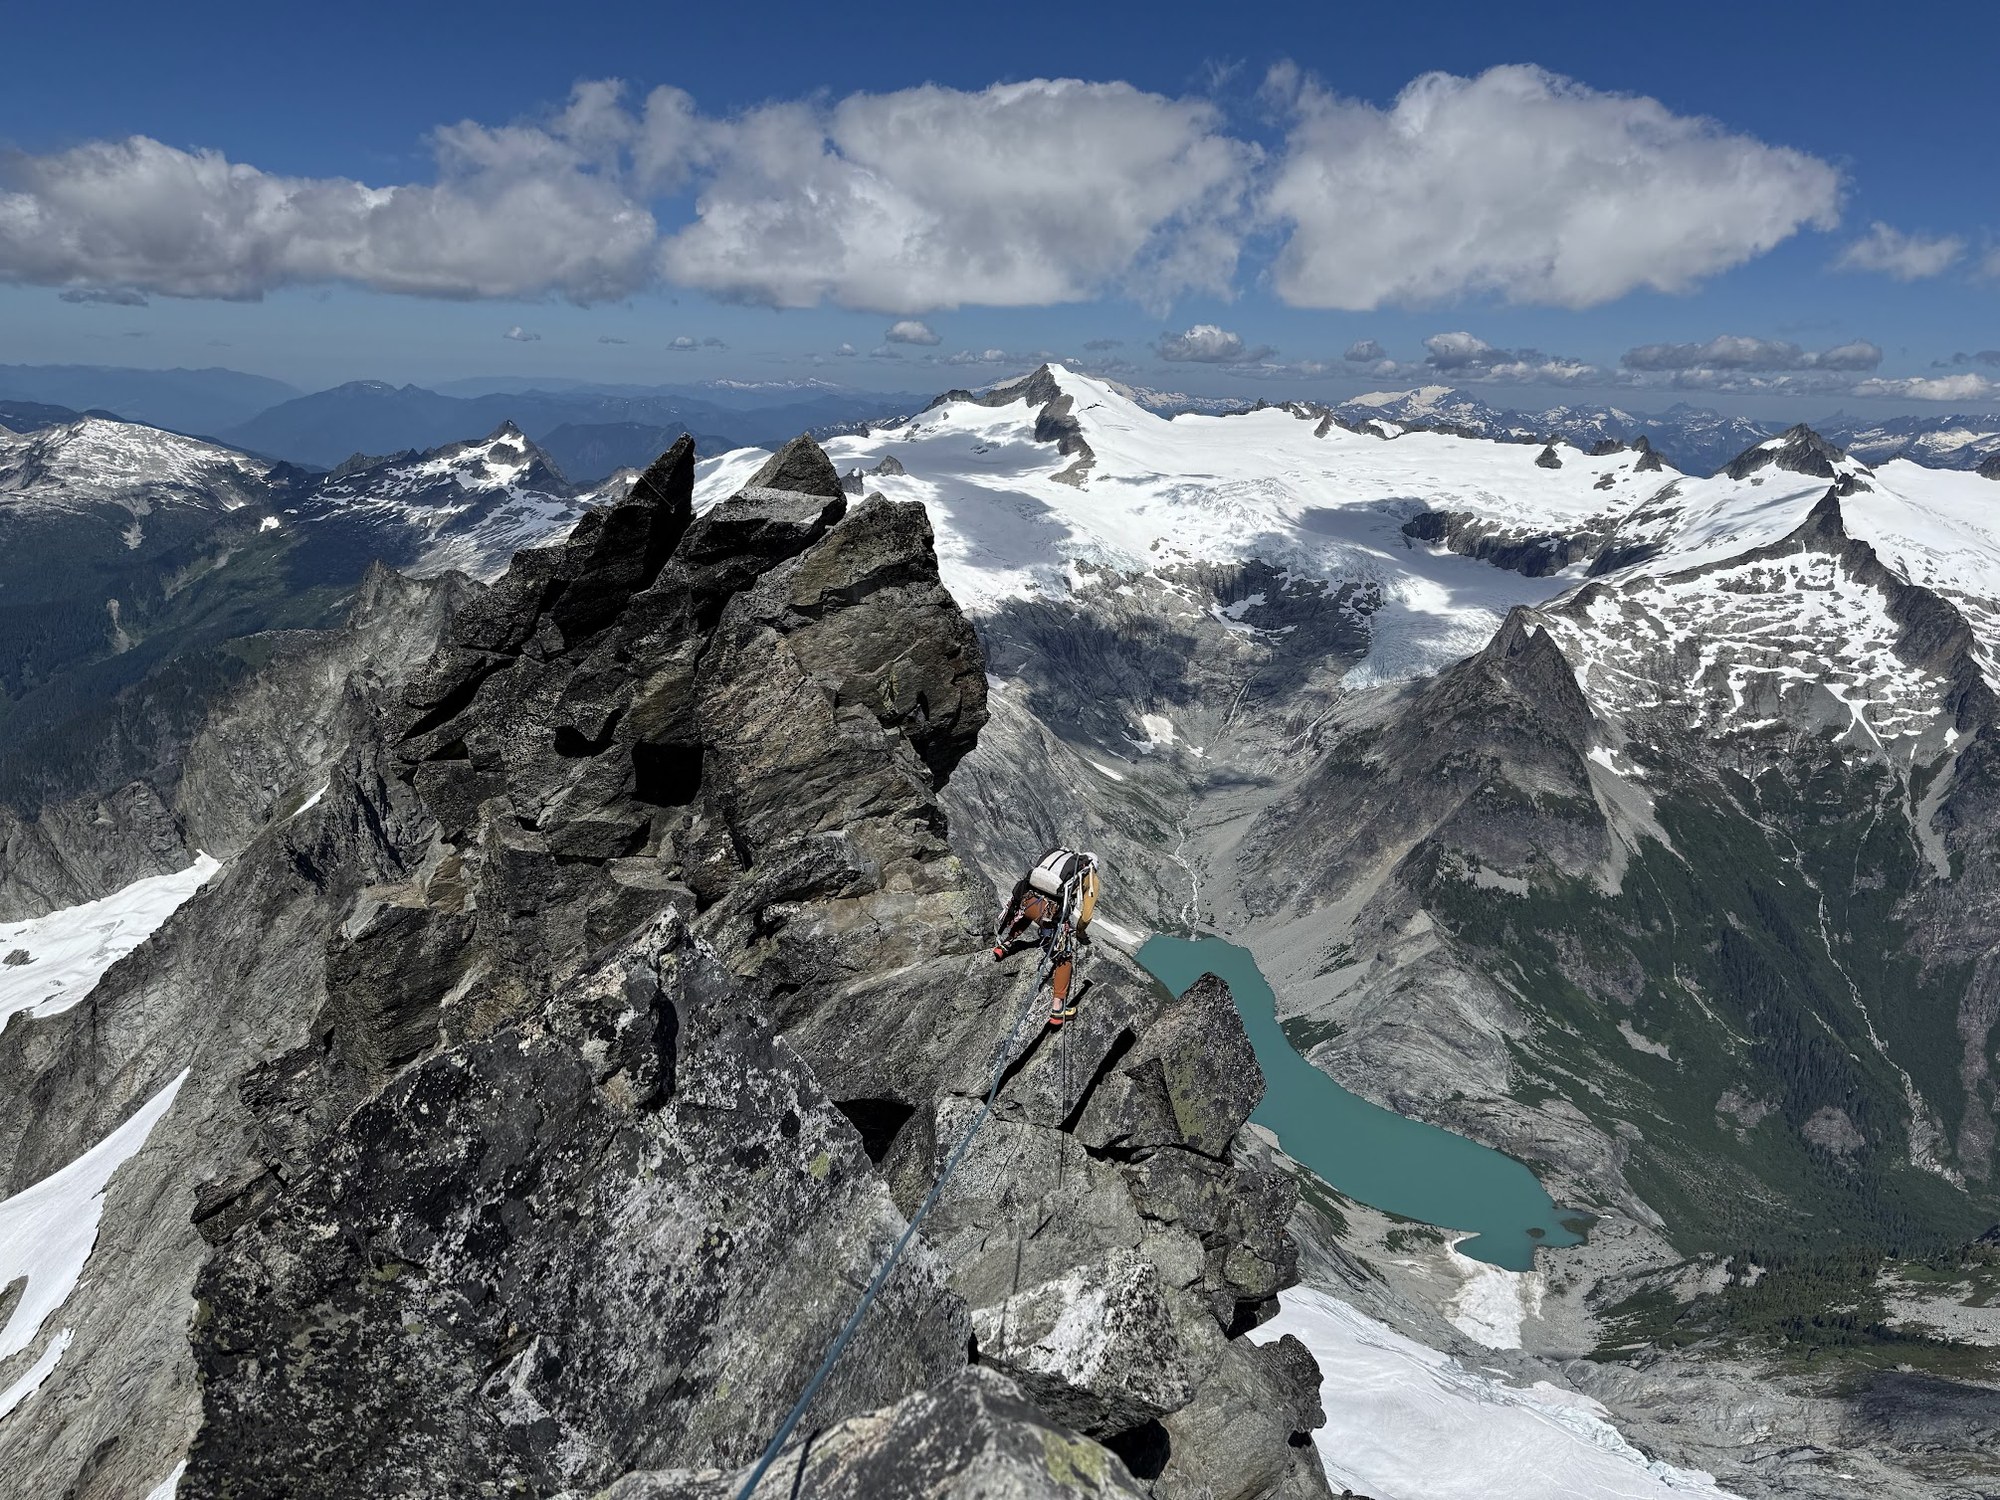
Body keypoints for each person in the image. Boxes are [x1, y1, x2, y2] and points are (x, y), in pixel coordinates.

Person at [992, 847, 1101, 1025]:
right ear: (1093, 865)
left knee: (1027, 916)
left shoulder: (1059, 860)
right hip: (1049, 914)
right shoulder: (1090, 875)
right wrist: (1080, 932)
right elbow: (1087, 915)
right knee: (1064, 957)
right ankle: (1058, 1010)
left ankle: (1004, 946)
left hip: (1027, 903)